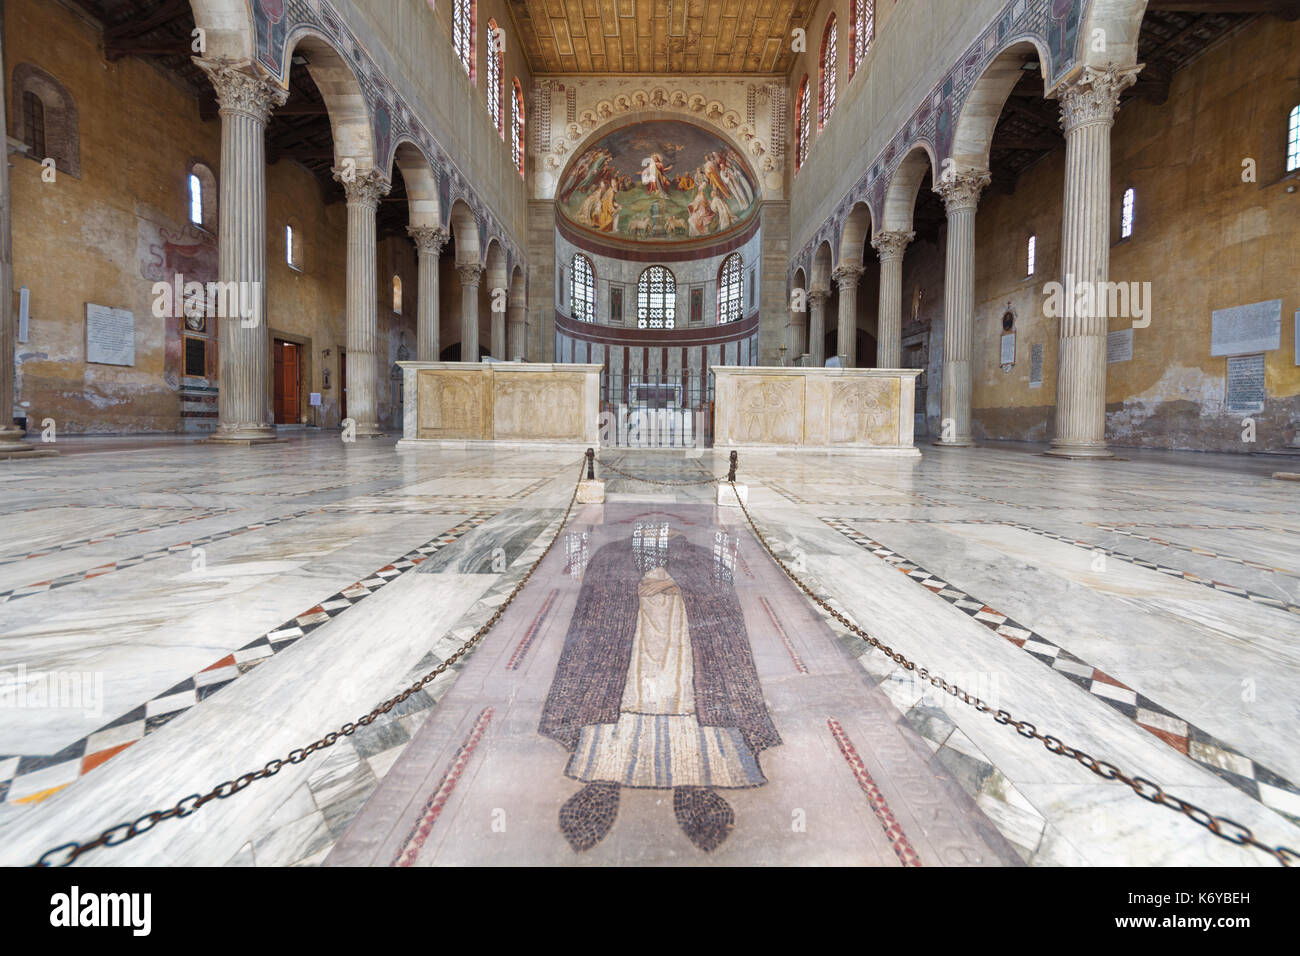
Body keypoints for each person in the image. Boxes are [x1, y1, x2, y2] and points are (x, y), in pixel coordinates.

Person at [539, 523, 781, 853]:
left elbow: (717, 594)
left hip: (684, 660)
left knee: (693, 711)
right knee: (618, 711)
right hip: (630, 661)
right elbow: (596, 610)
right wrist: (636, 590)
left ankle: (695, 784)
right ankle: (604, 780)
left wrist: (674, 583)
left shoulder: (701, 558)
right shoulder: (611, 557)